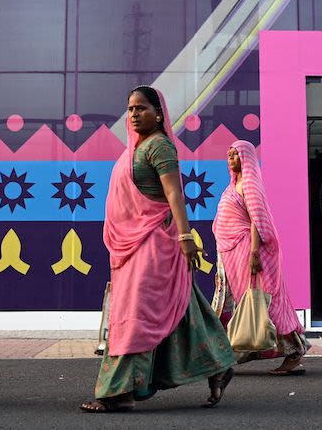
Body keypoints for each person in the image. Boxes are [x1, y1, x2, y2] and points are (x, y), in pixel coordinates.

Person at [81, 85, 236, 413]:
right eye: (131, 109)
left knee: (136, 315)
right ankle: (219, 364)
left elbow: (174, 195)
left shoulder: (159, 146)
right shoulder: (134, 150)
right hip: (133, 244)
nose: (135, 114)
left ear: (159, 113)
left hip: (155, 242)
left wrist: (185, 237)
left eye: (142, 108)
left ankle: (120, 392)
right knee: (181, 308)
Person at [211, 140, 310, 374]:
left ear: (246, 158)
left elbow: (257, 219)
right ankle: (228, 353)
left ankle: (295, 351)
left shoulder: (249, 185)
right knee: (236, 304)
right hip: (231, 253)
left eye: (235, 155)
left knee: (266, 304)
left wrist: (255, 253)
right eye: (229, 155)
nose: (231, 159)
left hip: (247, 252)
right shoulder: (233, 185)